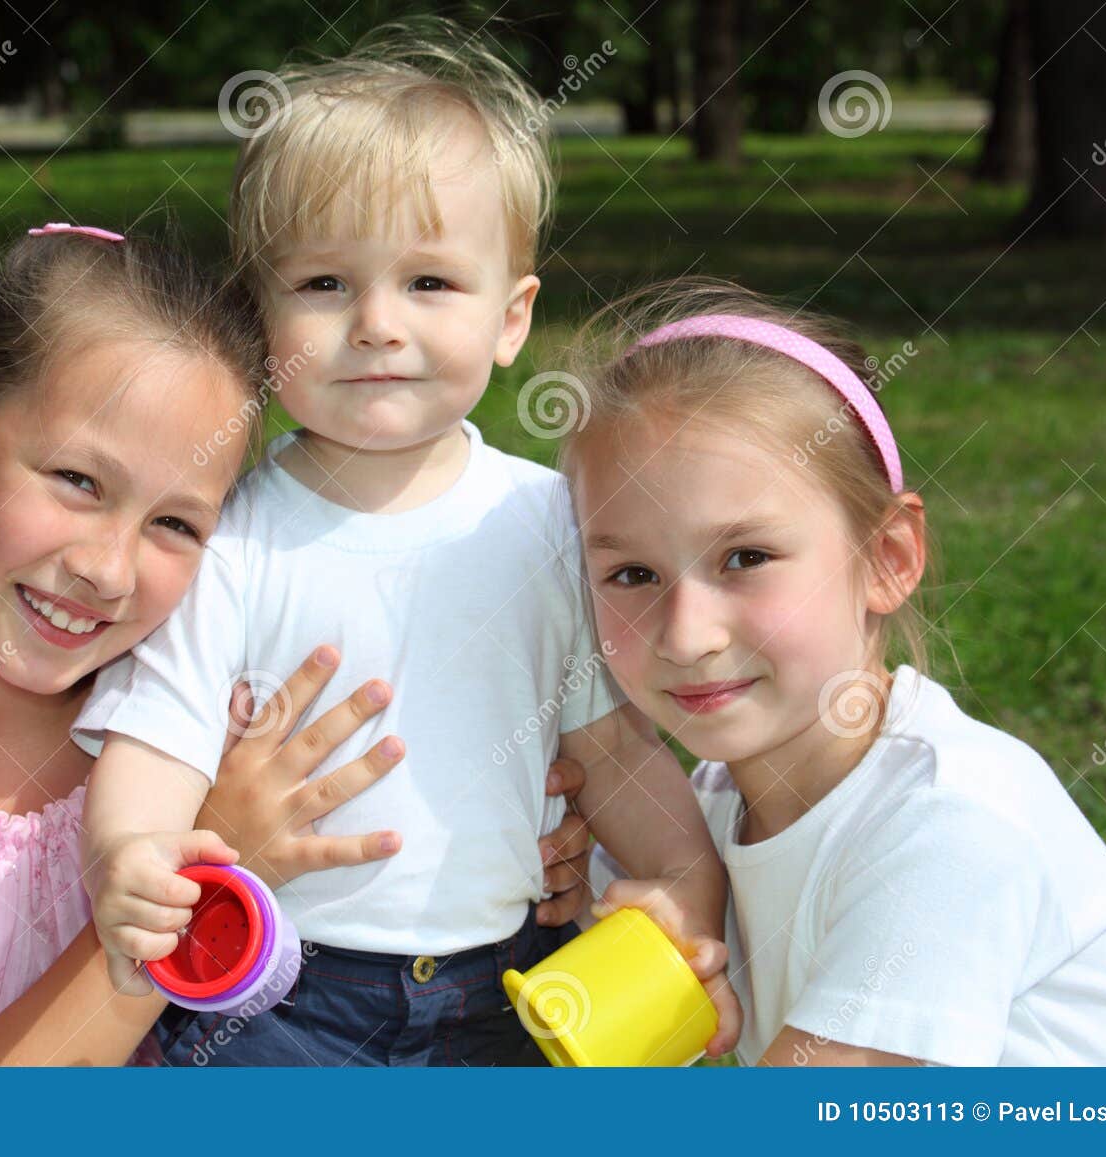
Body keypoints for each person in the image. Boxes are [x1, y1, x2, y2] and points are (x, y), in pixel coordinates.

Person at [0, 223, 598, 1066]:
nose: (109, 571)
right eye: (78, 479)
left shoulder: (173, 687)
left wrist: (503, 847)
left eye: (175, 522)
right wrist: (208, 885)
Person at [77, 25, 736, 1067]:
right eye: (325, 284)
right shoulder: (230, 536)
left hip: (519, 980)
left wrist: (685, 886)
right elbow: (154, 746)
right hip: (274, 995)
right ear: (260, 315)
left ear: (512, 316)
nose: (378, 323)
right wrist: (133, 856)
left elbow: (610, 749)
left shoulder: (546, 522)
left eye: (429, 282)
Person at [570, 277, 1106, 1066]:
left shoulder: (948, 823)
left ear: (887, 558)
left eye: (746, 558)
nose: (686, 634)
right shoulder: (704, 813)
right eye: (632, 574)